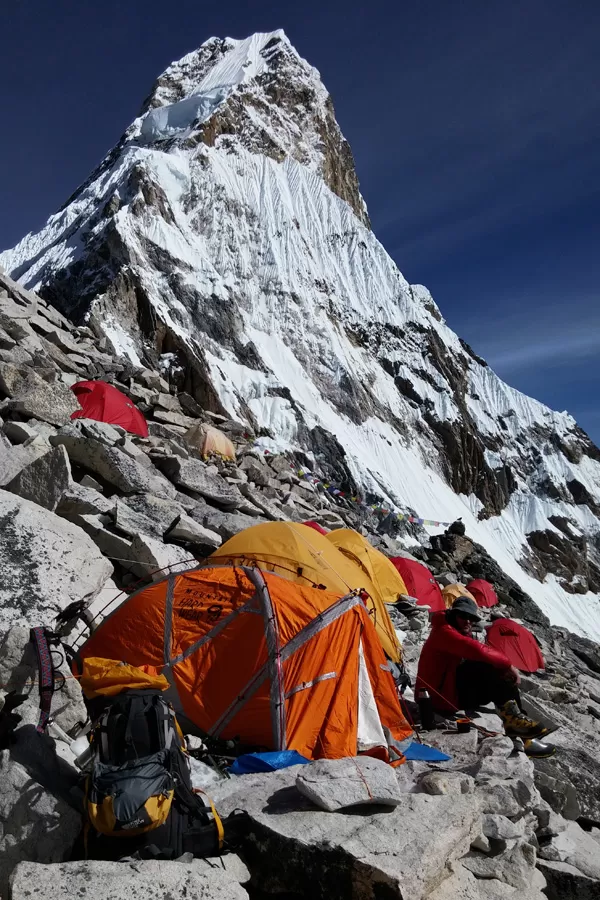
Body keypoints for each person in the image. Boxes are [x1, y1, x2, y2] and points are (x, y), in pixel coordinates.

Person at [416, 596, 547, 739]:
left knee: (493, 669)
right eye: (463, 616)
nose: (468, 621)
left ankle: (517, 723)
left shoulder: (455, 630)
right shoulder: (443, 632)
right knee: (490, 667)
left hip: (447, 690)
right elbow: (476, 650)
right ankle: (516, 725)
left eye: (471, 618)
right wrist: (508, 665)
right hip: (436, 700)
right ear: (453, 614)